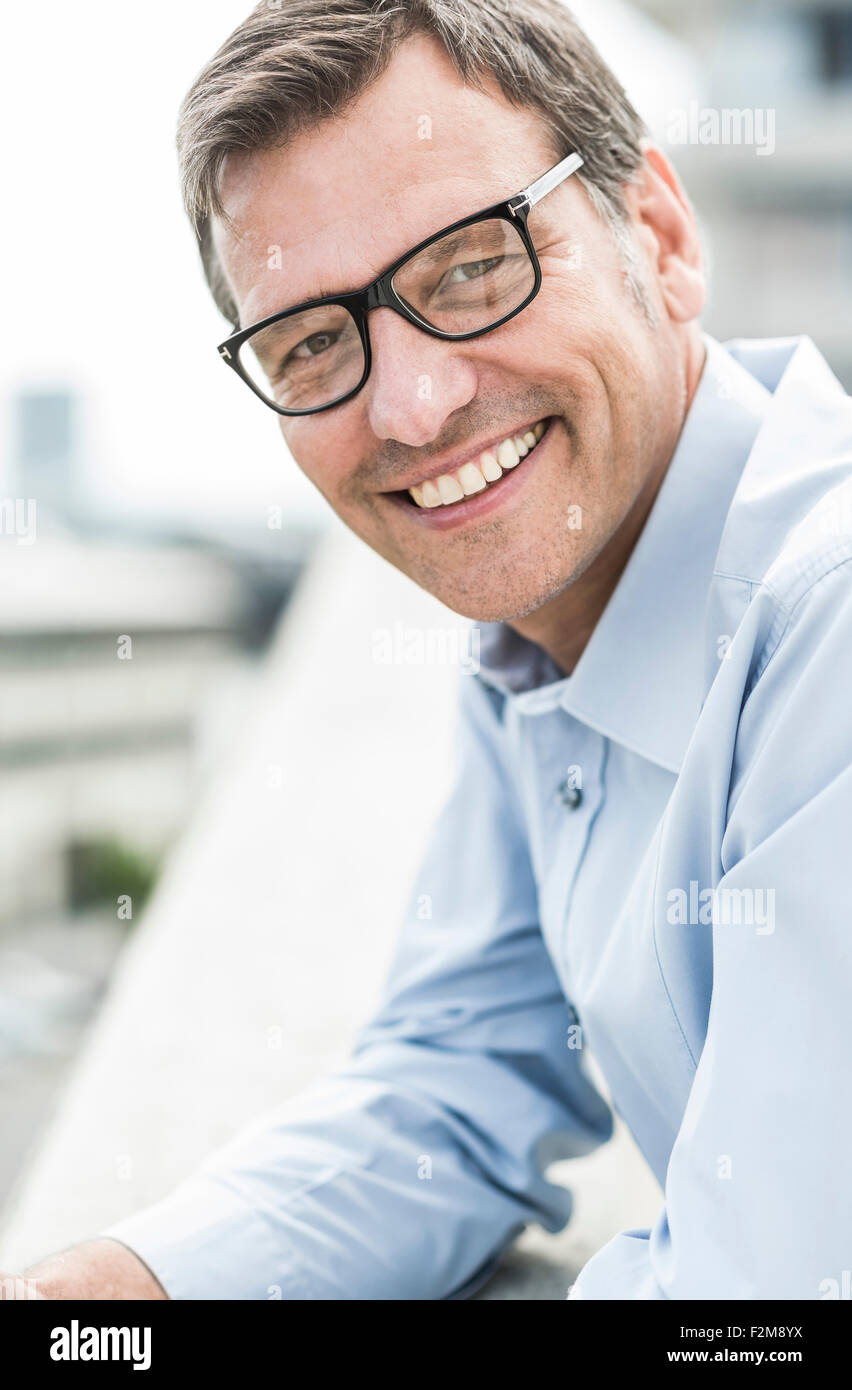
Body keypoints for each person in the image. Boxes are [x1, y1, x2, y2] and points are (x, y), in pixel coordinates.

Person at [5, 0, 852, 1300]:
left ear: (664, 240)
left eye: (471, 266)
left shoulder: (829, 618)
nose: (412, 404)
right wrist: (122, 1288)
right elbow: (463, 1079)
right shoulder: (547, 617)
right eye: (313, 343)